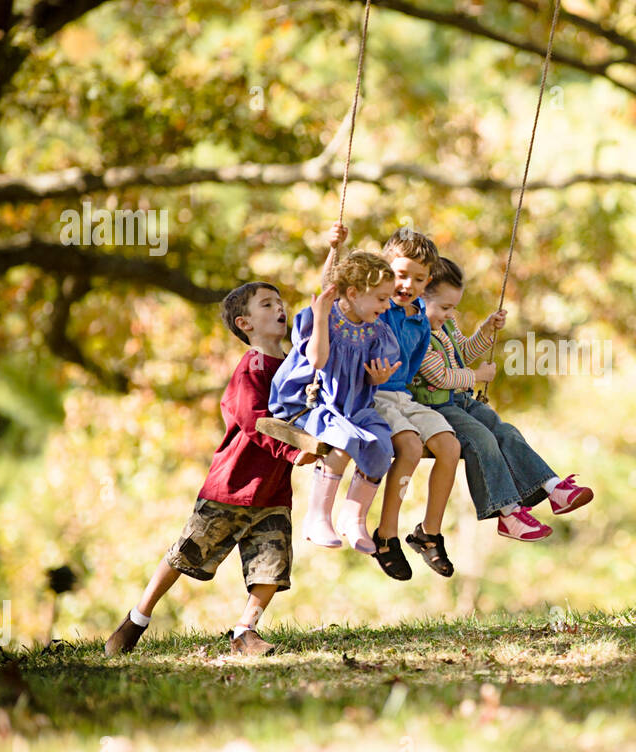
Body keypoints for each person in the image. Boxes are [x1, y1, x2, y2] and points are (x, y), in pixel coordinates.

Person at [105, 281, 315, 658]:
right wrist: (293, 452)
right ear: (245, 323)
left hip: (273, 492)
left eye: (280, 303)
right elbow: (255, 421)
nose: (279, 309)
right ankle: (138, 617)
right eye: (267, 305)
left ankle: (244, 631)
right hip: (231, 489)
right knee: (185, 554)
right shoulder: (250, 369)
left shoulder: (294, 368)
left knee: (272, 564)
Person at [412, 257, 593, 540]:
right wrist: (476, 377)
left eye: (453, 308)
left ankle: (553, 487)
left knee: (506, 431)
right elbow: (440, 377)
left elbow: (463, 355)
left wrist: (485, 331)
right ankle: (508, 513)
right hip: (435, 408)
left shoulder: (445, 325)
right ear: (420, 297)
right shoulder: (415, 330)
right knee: (482, 439)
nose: (449, 314)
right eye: (445, 307)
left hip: (460, 402)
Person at [269, 233, 402, 555]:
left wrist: (379, 376)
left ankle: (353, 518)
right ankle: (317, 518)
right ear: (353, 293)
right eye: (382, 298)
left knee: (382, 446)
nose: (387, 306)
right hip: (311, 403)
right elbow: (318, 361)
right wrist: (321, 319)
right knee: (341, 444)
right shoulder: (321, 318)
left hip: (354, 406)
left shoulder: (377, 329)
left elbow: (375, 372)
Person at [362, 225, 463, 580]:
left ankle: (429, 533)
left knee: (450, 446)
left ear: (427, 282)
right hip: (373, 395)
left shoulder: (421, 320)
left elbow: (415, 363)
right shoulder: (378, 308)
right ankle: (386, 534)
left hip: (402, 395)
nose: (407, 285)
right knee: (409, 446)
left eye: (418, 279)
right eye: (400, 275)